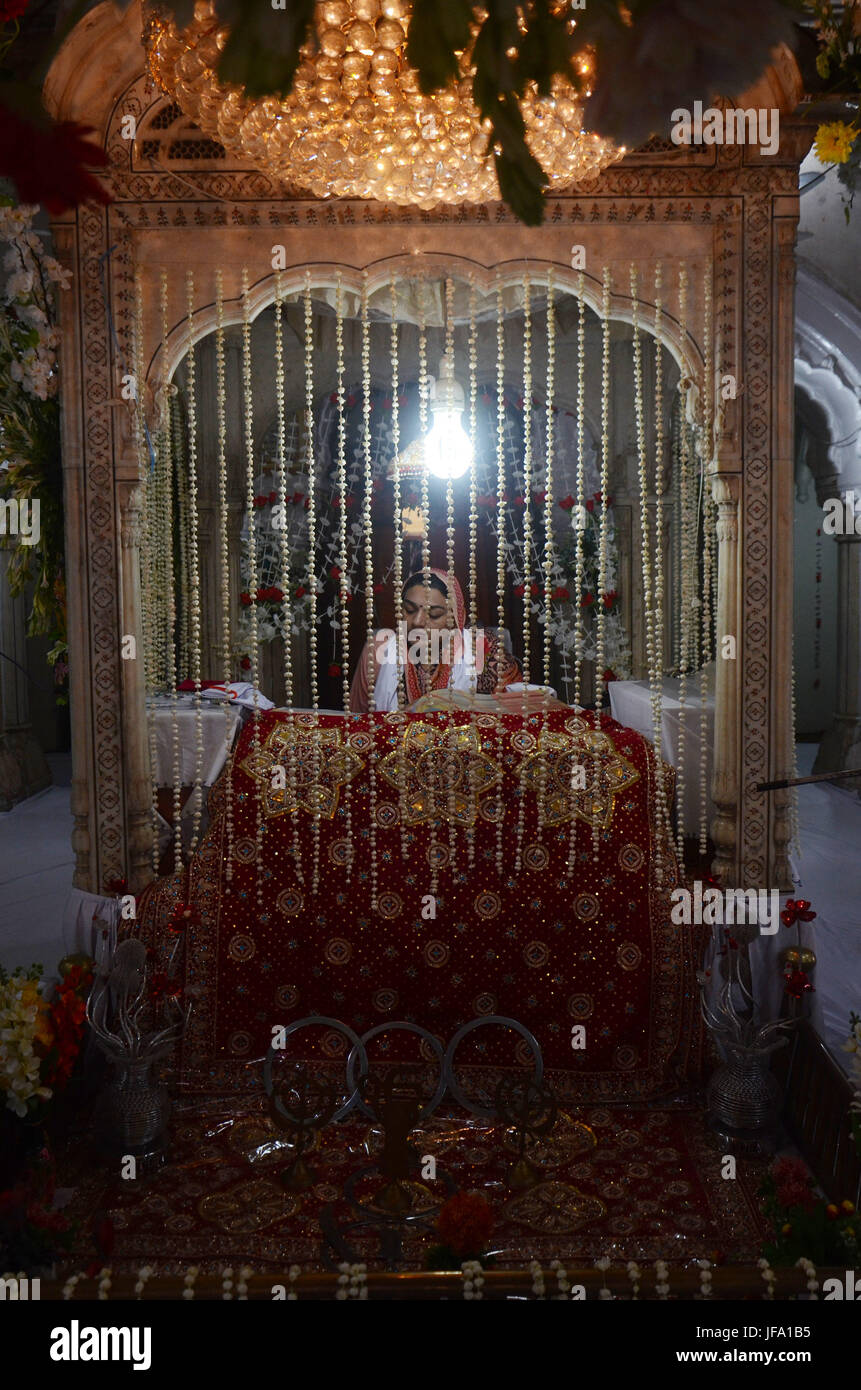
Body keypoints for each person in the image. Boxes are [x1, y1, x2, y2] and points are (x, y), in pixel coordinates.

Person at [349, 568, 521, 713]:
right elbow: (358, 720)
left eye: (434, 614)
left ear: (456, 619)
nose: (417, 621)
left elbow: (516, 711)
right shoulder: (379, 649)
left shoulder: (482, 647)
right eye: (409, 610)